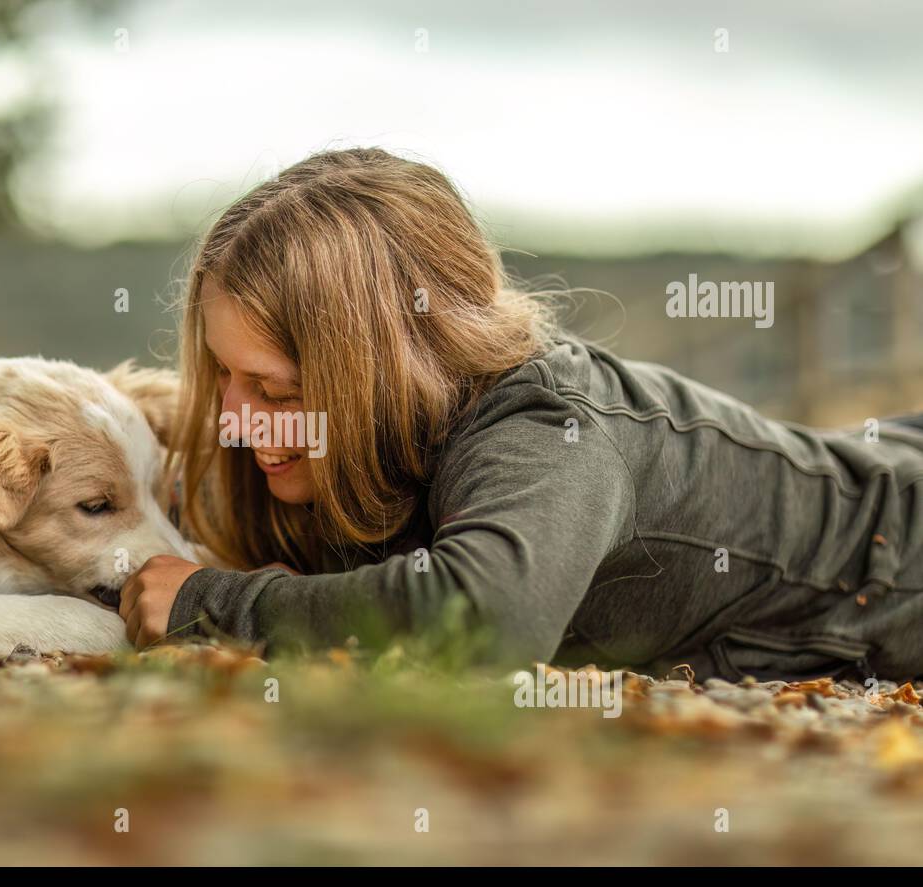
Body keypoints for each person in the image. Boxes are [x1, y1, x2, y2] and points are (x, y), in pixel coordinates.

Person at [116, 147, 923, 683]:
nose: (233, 418)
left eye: (279, 391)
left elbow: (485, 620)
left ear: (387, 371)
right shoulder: (384, 439)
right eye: (224, 376)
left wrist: (214, 602)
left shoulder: (546, 432)